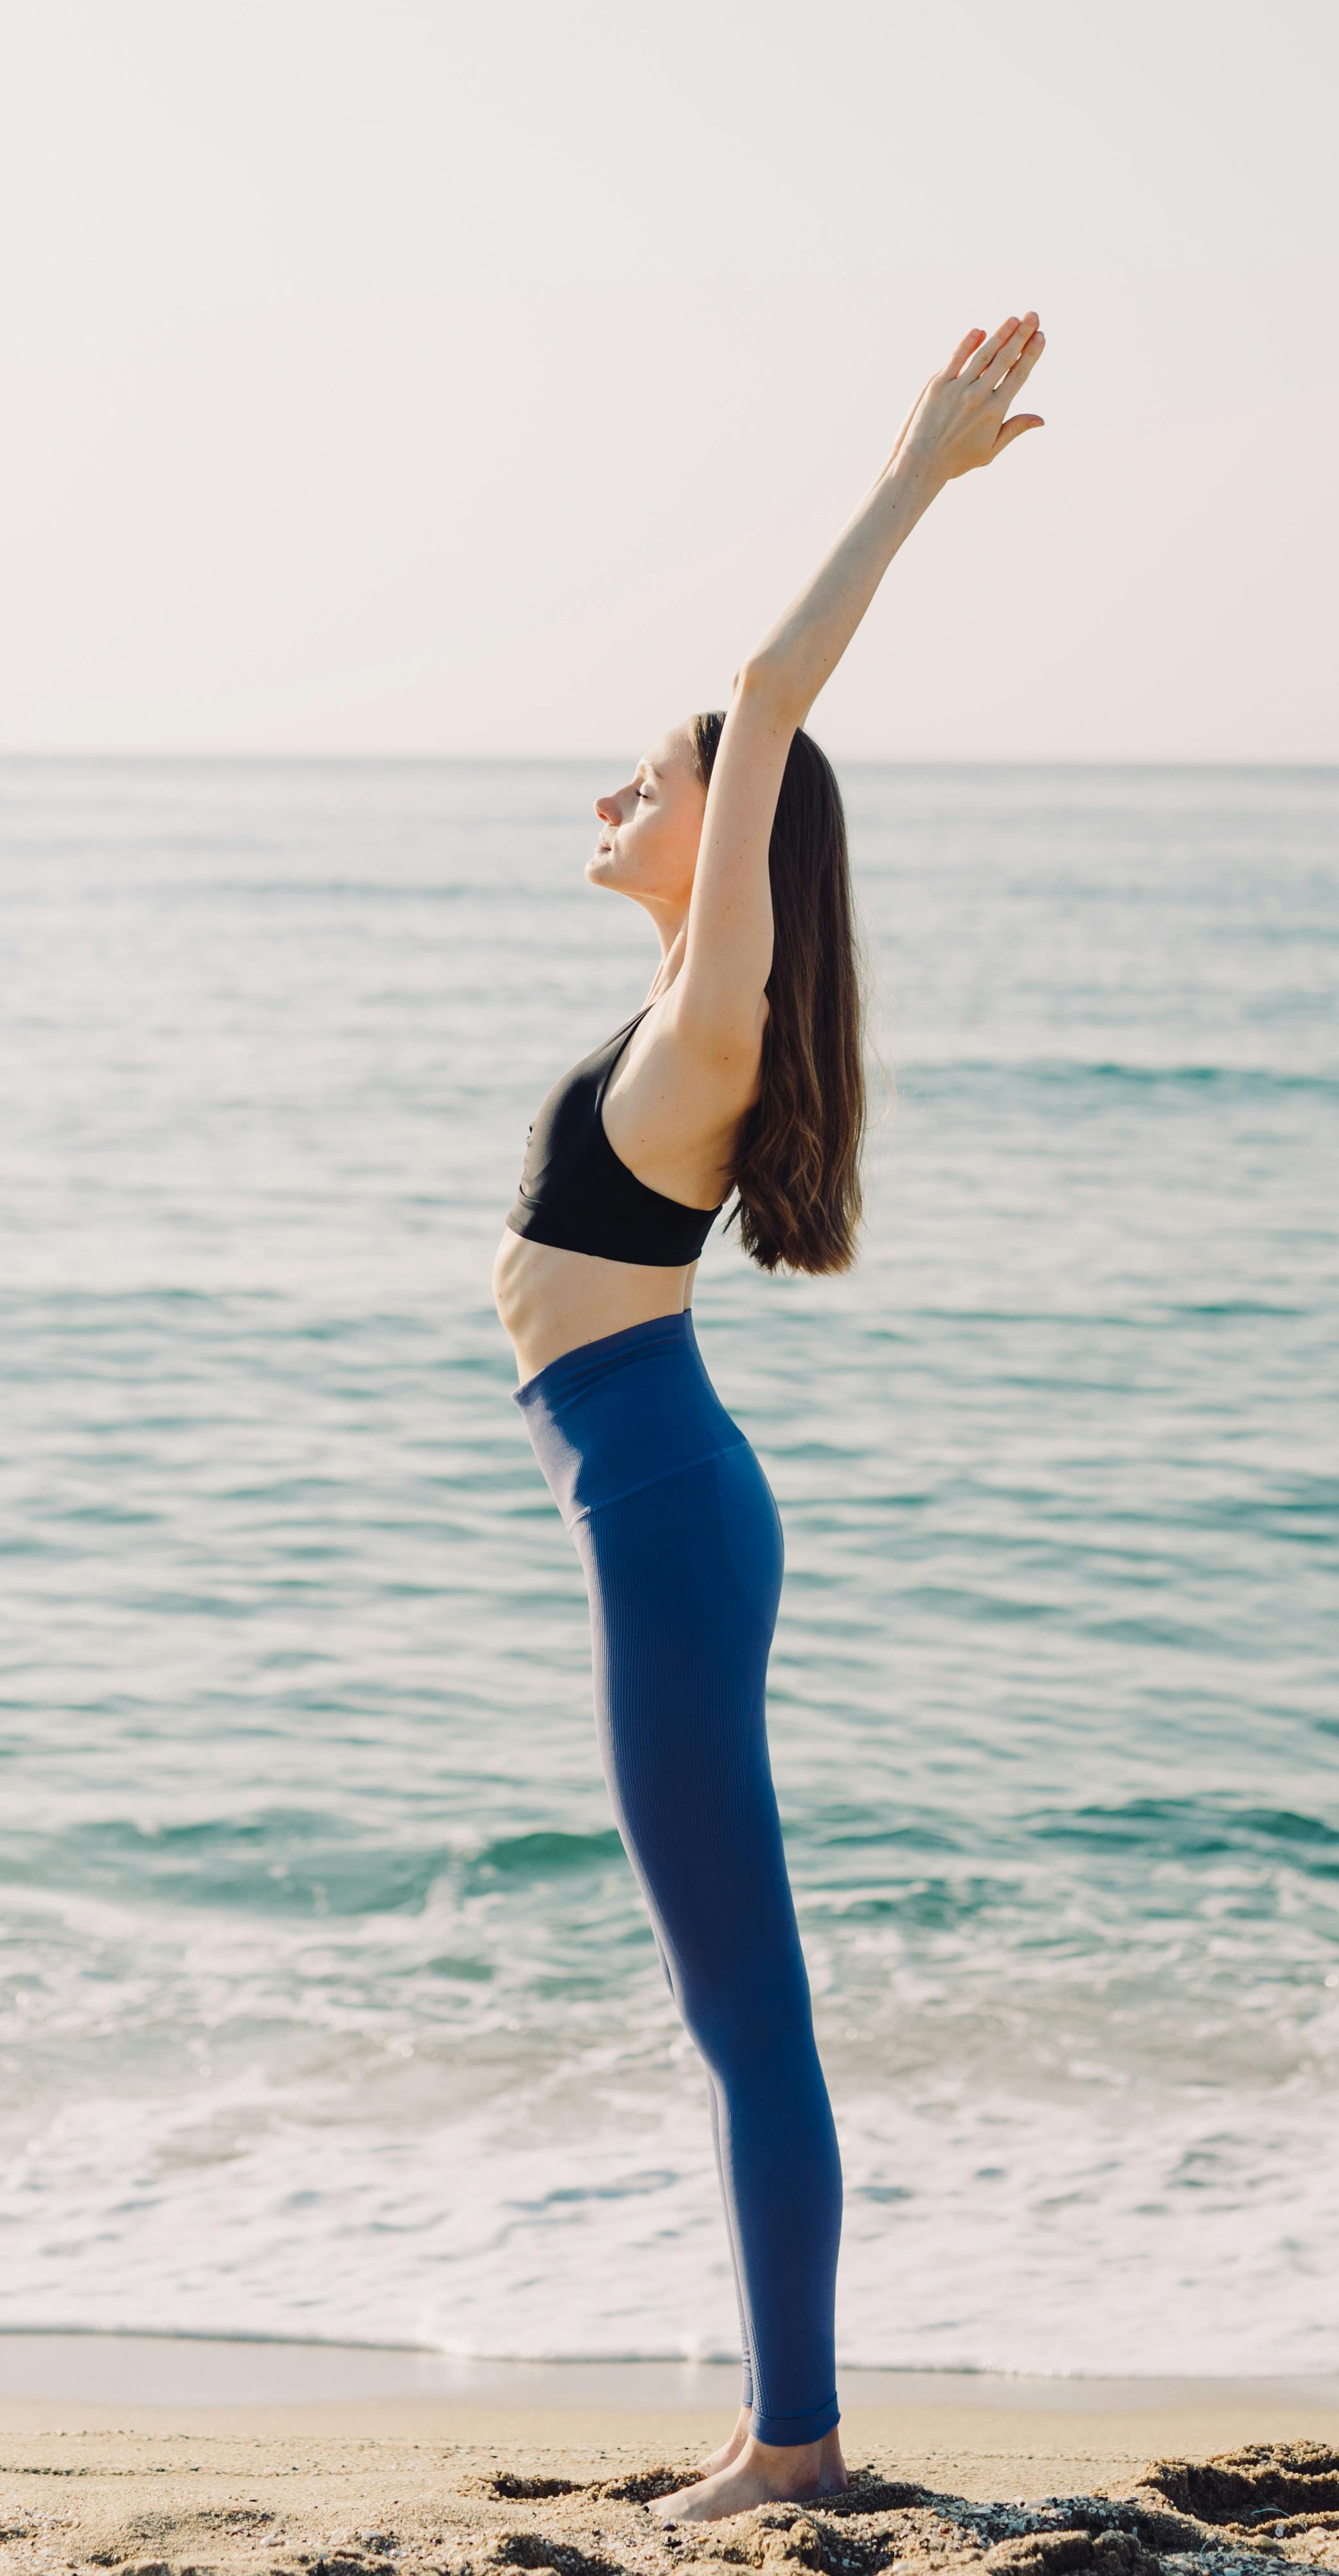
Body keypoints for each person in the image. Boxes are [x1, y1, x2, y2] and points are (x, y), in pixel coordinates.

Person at [495, 313, 1049, 2521]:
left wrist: (908, 476)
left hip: (662, 1507)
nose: (619, 793)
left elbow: (775, 684)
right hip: (652, 1492)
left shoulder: (714, 1005)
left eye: (659, 773)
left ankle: (802, 2451)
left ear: (739, 840)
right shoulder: (670, 1013)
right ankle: (773, 2426)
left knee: (745, 1998)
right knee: (728, 1986)